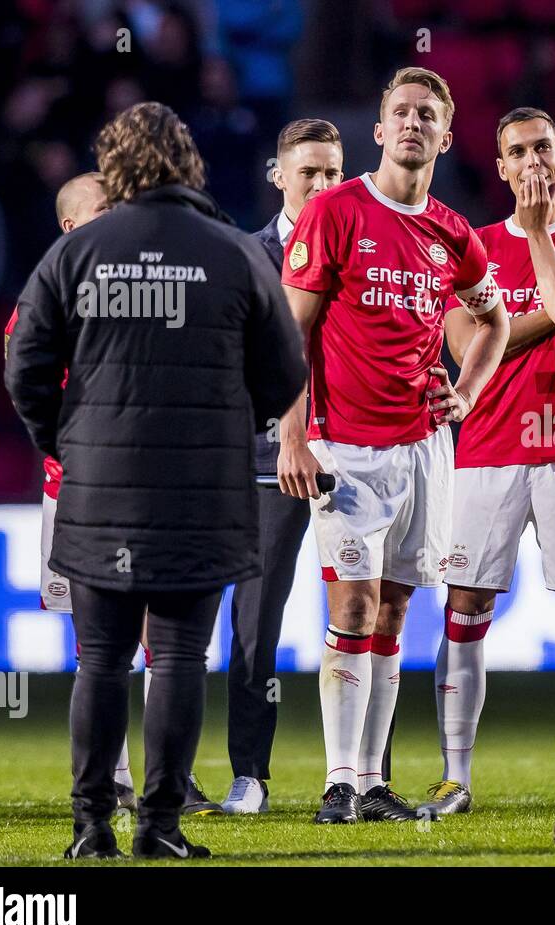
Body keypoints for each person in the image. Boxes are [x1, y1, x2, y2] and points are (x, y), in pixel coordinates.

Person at [5, 102, 307, 860]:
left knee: (101, 659)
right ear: (188, 163)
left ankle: (90, 826)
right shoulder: (235, 252)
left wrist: (66, 442)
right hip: (203, 489)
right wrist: (227, 426)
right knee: (176, 658)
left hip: (98, 486)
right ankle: (159, 825)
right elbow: (286, 373)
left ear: (119, 167)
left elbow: (25, 366)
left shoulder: (76, 252)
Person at [278, 67, 509, 825]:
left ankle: (374, 781)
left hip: (423, 450)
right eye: (401, 112)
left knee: (393, 614)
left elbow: (495, 319)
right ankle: (338, 780)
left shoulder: (452, 232)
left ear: (446, 136)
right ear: (379, 131)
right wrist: (293, 436)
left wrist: (467, 391)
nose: (413, 123)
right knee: (351, 603)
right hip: (345, 448)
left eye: (428, 115)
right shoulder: (334, 211)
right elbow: (290, 336)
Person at [419, 107, 555, 819]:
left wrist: (533, 263)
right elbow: (462, 346)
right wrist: (550, 305)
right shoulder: (473, 245)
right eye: (518, 151)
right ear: (502, 166)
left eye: (544, 145)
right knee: (467, 606)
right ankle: (456, 776)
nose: (533, 160)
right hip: (485, 447)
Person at [4, 172, 224, 818]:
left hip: (153, 489)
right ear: (72, 226)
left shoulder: (149, 283)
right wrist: (66, 450)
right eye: (106, 209)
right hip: (75, 494)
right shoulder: (50, 291)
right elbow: (26, 380)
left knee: (164, 636)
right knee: (98, 643)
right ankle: (117, 779)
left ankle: (168, 780)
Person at [221, 118, 344, 815]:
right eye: (310, 173)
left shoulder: (365, 237)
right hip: (270, 461)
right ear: (279, 176)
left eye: (333, 171)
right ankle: (251, 774)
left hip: (356, 453)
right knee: (254, 622)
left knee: (364, 617)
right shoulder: (245, 256)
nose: (324, 185)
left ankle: (359, 774)